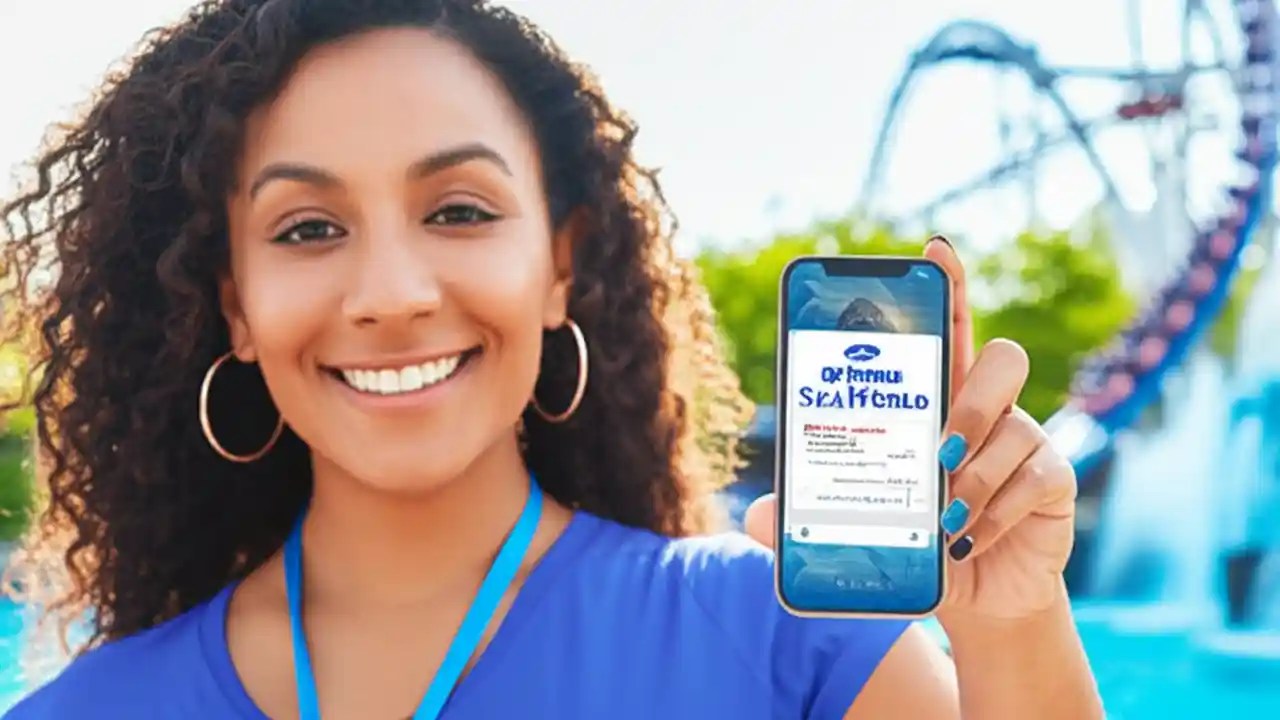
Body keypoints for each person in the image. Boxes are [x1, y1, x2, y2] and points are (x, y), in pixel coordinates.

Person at [0, 1, 1103, 717]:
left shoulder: (787, 646)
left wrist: (1011, 630)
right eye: (306, 229)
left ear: (562, 264)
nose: (390, 294)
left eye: (460, 210)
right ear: (234, 305)